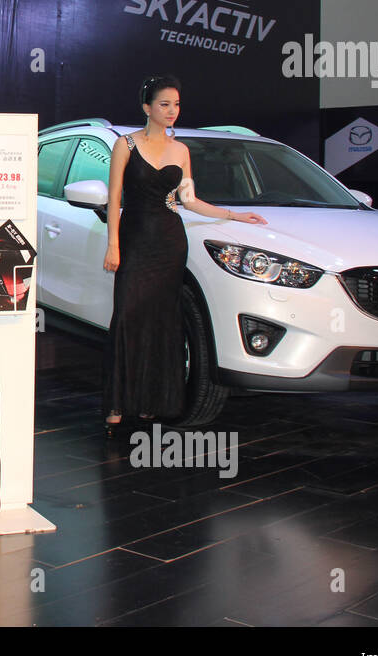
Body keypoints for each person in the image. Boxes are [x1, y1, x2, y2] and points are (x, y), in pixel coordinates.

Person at [102, 76, 267, 432]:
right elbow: (114, 198)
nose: (172, 111)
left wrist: (234, 215)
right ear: (147, 108)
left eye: (176, 105)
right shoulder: (125, 145)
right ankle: (117, 406)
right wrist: (113, 244)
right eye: (164, 104)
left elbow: (189, 200)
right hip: (134, 240)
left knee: (163, 321)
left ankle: (151, 403)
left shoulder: (182, 151)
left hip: (170, 243)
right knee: (129, 317)